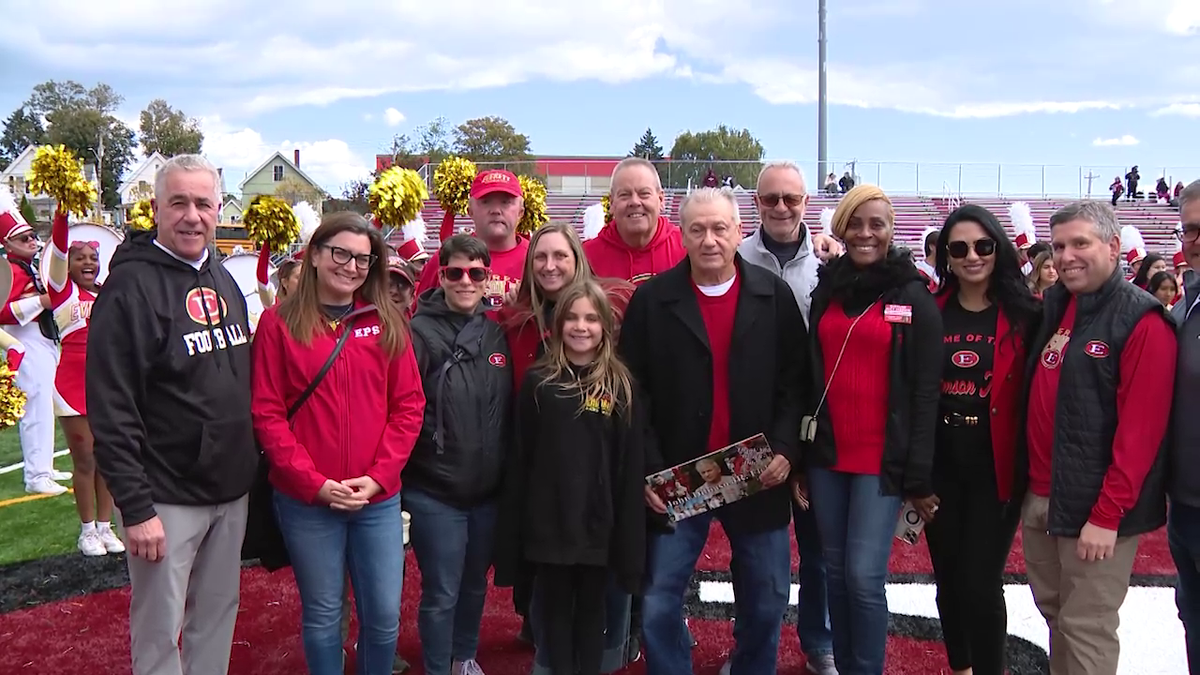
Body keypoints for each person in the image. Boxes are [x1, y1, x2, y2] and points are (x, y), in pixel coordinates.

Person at [619, 187, 806, 675]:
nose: (709, 239)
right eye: (697, 229)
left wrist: (786, 447)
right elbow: (633, 391)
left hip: (756, 470)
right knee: (658, 601)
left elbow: (796, 383)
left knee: (767, 601)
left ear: (739, 232)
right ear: (680, 234)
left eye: (720, 228)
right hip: (679, 473)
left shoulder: (772, 294)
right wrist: (650, 467)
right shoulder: (652, 299)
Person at [88, 154, 258, 675]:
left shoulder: (222, 276)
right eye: (178, 203)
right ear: (156, 210)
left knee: (216, 616)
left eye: (203, 203)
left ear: (218, 210)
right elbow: (112, 406)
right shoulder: (129, 289)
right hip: (164, 496)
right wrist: (136, 508)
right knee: (161, 630)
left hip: (228, 489)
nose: (192, 216)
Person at [251, 212, 425, 675]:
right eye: (340, 254)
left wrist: (378, 478)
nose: (351, 267)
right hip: (308, 502)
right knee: (325, 616)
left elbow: (409, 407)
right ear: (313, 256)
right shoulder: (278, 324)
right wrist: (314, 484)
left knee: (384, 618)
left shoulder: (387, 321)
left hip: (378, 501)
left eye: (363, 260)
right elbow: (267, 414)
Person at [1018, 200, 1176, 675]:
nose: (1067, 256)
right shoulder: (1058, 307)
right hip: (1044, 494)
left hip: (1096, 509)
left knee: (1087, 628)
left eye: (1080, 243)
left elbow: (1141, 433)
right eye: (1060, 245)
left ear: (1112, 246)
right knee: (1059, 619)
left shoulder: (1142, 321)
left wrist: (1107, 514)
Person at [799, 184, 942, 675]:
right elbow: (810, 372)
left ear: (890, 229)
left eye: (876, 223)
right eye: (855, 223)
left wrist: (918, 474)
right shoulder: (827, 289)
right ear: (840, 226)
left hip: (882, 460)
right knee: (835, 573)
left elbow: (926, 392)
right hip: (828, 456)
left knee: (863, 577)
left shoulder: (913, 295)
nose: (865, 233)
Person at [507, 280, 647, 675]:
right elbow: (524, 456)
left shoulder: (621, 386)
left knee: (592, 617)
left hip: (598, 528)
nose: (580, 327)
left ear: (606, 326)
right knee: (552, 619)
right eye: (571, 317)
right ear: (555, 325)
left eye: (590, 318)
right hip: (550, 527)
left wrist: (625, 531)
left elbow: (628, 463)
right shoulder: (539, 382)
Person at [926, 205, 1041, 675]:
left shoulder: (1029, 315)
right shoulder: (928, 312)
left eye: (983, 246)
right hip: (939, 467)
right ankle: (960, 668)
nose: (972, 256)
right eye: (959, 248)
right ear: (946, 257)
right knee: (948, 582)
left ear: (999, 248)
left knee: (981, 582)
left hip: (998, 468)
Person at [735, 160, 835, 674]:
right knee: (753, 552)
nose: (780, 207)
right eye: (770, 198)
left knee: (817, 545)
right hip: (756, 424)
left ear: (805, 203)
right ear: (755, 203)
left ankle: (818, 642)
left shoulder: (829, 264)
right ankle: (750, 649)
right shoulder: (732, 255)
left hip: (817, 418)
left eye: (790, 199)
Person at [405, 234, 512, 675]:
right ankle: (436, 666)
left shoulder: (498, 329)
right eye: (455, 272)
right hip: (437, 489)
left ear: (488, 278)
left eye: (476, 272)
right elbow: (401, 409)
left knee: (473, 586)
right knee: (442, 590)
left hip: (487, 490)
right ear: (441, 275)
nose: (466, 281)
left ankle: (463, 657)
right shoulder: (417, 332)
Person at [46, 210, 124, 556]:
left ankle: (106, 528)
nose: (88, 263)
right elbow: (59, 249)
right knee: (85, 461)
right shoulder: (62, 293)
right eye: (80, 258)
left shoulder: (108, 294)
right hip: (71, 384)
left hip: (104, 384)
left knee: (107, 459)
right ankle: (87, 530)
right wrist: (62, 209)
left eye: (93, 258)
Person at [0, 187, 68, 495]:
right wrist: (41, 301)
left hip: (43, 340)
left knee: (46, 407)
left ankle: (45, 465)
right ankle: (36, 475)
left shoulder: (30, 267)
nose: (32, 241)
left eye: (32, 236)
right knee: (35, 409)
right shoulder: (10, 270)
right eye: (24, 238)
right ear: (7, 243)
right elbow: (3, 311)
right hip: (25, 343)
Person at [416, 169, 530, 309]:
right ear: (470, 211)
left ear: (521, 212)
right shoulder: (445, 257)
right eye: (486, 202)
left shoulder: (538, 259)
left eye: (505, 202)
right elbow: (418, 317)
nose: (495, 210)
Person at [1170, 179, 1200, 672]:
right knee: (1193, 619)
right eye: (1188, 229)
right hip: (1186, 499)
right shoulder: (1187, 299)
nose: (1193, 240)